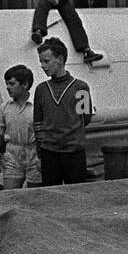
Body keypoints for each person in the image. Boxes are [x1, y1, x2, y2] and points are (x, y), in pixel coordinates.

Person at [33, 36, 93, 185]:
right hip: (49, 152)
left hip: (74, 152)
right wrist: (40, 152)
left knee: (76, 195)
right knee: (51, 196)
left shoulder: (81, 87)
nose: (42, 65)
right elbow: (38, 122)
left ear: (60, 59)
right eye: (41, 61)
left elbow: (86, 117)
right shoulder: (41, 90)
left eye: (46, 61)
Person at [0, 64, 41, 189]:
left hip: (34, 154)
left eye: (12, 84)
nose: (8, 88)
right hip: (13, 154)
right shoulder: (5, 107)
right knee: (10, 194)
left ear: (25, 84)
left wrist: (43, 158)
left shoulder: (37, 106)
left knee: (37, 196)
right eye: (6, 84)